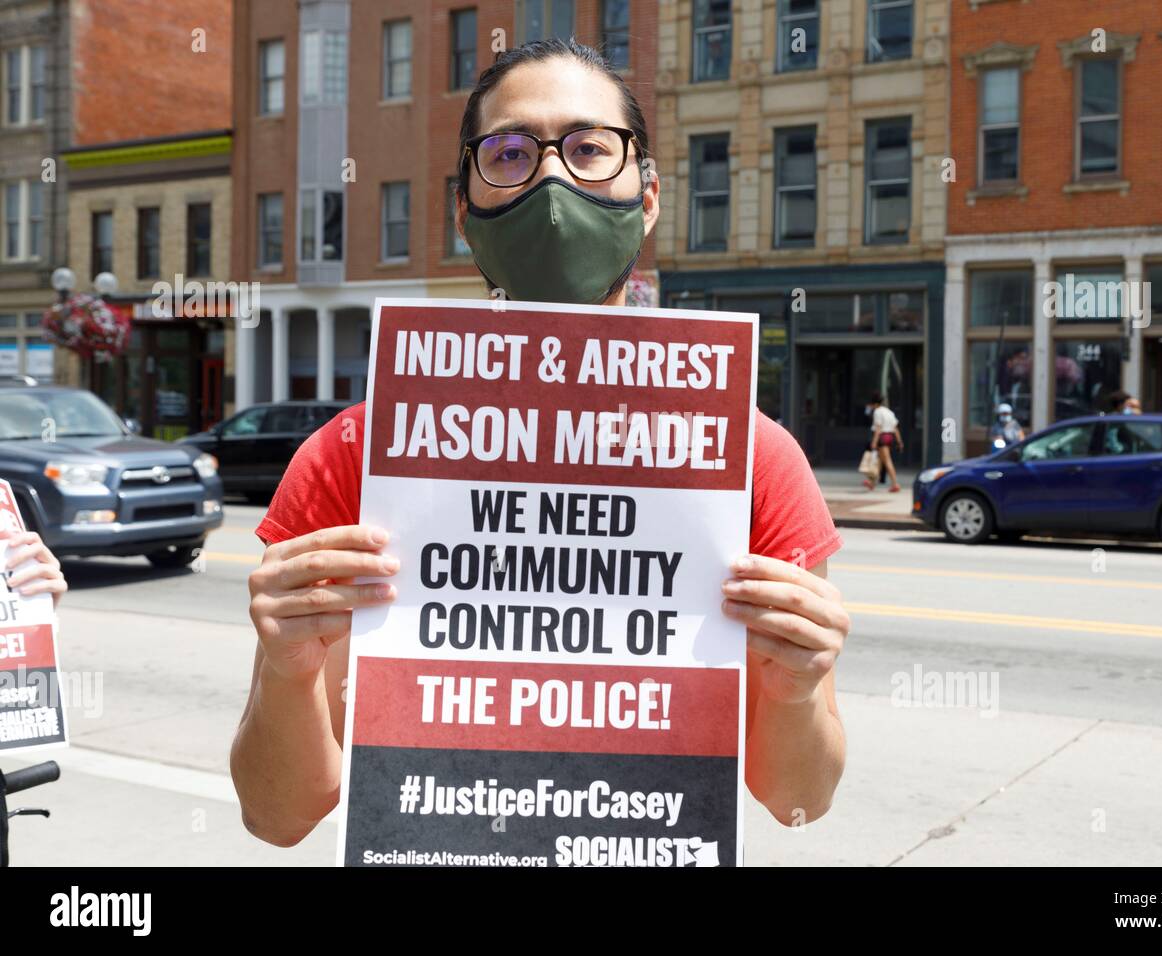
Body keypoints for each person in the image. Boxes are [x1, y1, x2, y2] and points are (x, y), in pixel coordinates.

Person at [230, 39, 850, 847]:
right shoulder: (353, 454)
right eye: (512, 152)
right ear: (465, 207)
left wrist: (797, 689)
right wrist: (288, 672)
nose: (552, 181)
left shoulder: (750, 459)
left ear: (649, 197)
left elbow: (798, 800)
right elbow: (276, 820)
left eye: (590, 148)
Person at [863, 391, 902, 492]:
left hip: (882, 437)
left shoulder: (877, 412)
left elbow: (878, 428)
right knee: (880, 461)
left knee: (887, 461)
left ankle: (895, 484)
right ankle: (872, 482)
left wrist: (874, 442)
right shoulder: (889, 412)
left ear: (875, 403)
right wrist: (899, 441)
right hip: (890, 436)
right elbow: (895, 428)